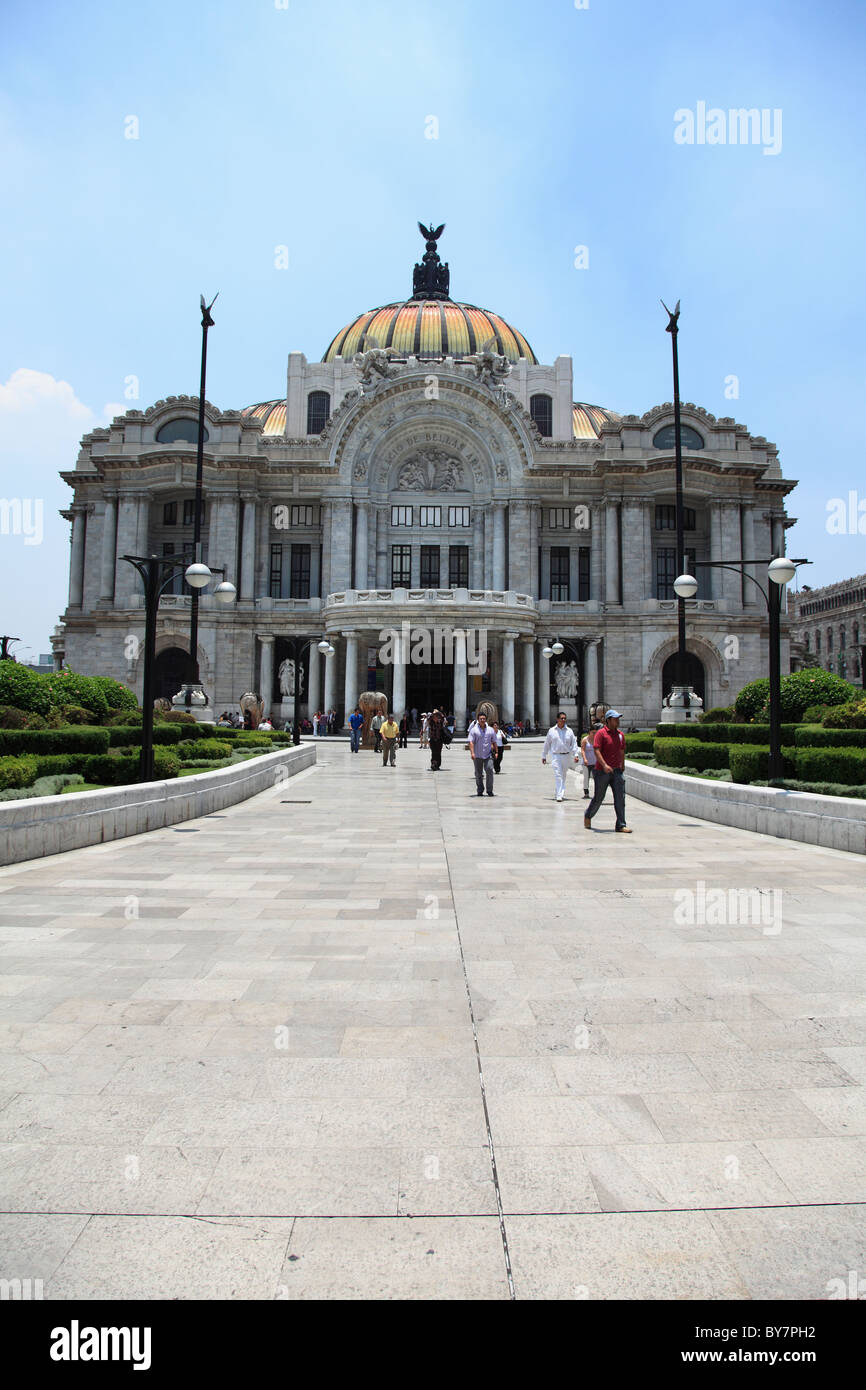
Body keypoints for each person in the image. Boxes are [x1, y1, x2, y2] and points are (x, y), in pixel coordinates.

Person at [584, 709, 632, 832]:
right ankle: (588, 815)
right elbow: (596, 750)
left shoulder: (620, 735)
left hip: (617, 771)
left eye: (618, 719)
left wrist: (622, 764)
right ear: (608, 720)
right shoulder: (601, 734)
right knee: (599, 797)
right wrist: (604, 765)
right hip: (602, 771)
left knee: (620, 798)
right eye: (615, 719)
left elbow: (622, 750)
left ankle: (621, 824)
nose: (618, 721)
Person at [542, 711, 579, 802]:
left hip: (566, 755)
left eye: (564, 718)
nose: (563, 720)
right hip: (556, 756)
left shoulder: (569, 731)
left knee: (563, 775)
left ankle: (558, 791)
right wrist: (544, 755)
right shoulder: (552, 731)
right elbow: (547, 744)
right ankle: (559, 795)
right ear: (557, 719)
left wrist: (576, 755)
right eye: (561, 718)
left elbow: (574, 744)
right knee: (558, 775)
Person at [469, 712, 496, 797]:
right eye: (481, 719)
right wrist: (472, 753)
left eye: (484, 719)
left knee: (489, 770)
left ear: (486, 719)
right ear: (478, 720)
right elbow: (471, 742)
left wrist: (497, 752)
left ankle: (489, 790)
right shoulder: (474, 730)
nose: (482, 720)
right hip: (478, 755)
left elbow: (494, 741)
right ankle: (480, 790)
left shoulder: (490, 730)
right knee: (478, 773)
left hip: (488, 755)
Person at [579, 728, 597, 798]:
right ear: (589, 732)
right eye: (593, 733)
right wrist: (585, 759)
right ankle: (586, 792)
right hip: (586, 763)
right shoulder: (585, 740)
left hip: (595, 762)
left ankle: (597, 793)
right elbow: (582, 750)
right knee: (586, 778)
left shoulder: (597, 740)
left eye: (596, 733)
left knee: (597, 778)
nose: (594, 734)